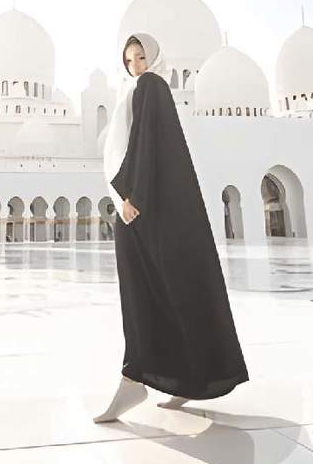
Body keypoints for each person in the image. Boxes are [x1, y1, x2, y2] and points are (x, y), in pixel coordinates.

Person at [93, 32, 248, 423]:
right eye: (129, 60)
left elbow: (149, 146)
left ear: (156, 58)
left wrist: (133, 199)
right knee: (168, 292)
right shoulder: (139, 90)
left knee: (148, 294)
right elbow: (142, 145)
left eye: (142, 57)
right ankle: (185, 379)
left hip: (141, 208)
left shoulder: (151, 85)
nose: (136, 66)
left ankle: (135, 380)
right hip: (144, 206)